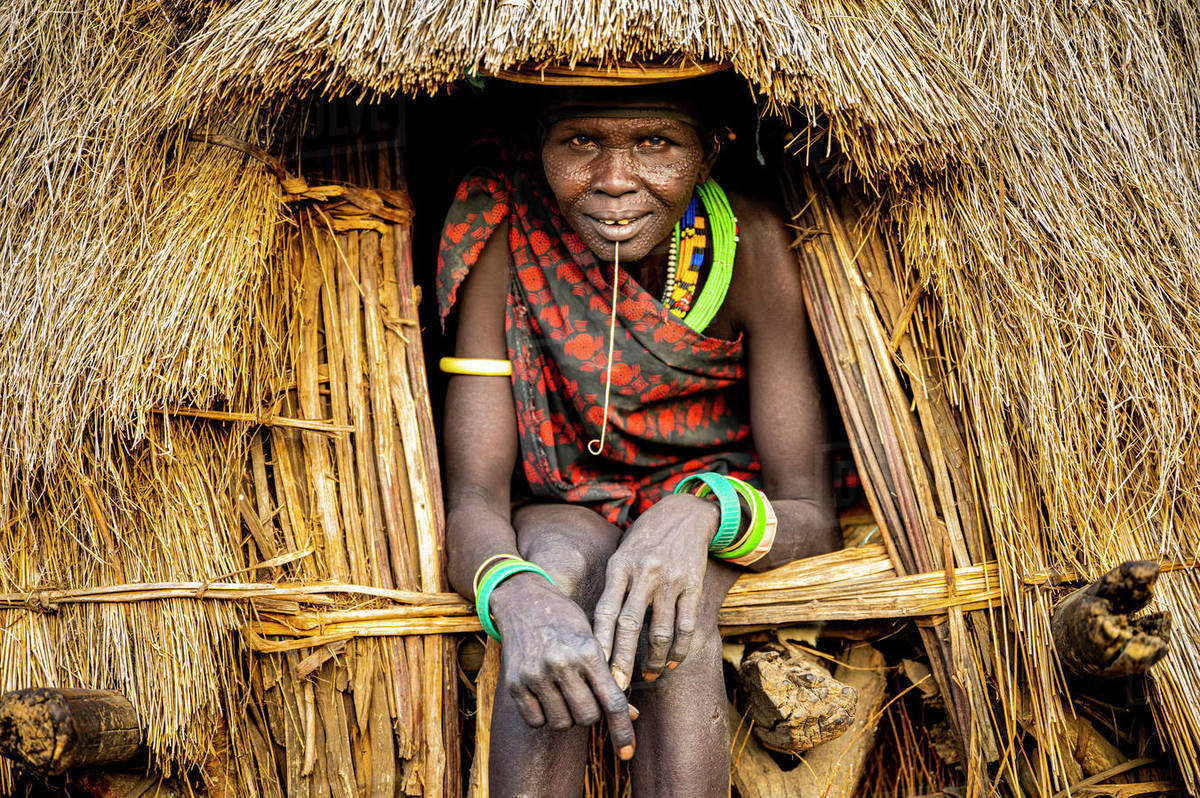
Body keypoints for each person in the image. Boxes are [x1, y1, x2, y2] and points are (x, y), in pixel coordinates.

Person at [437, 82, 838, 798]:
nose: (616, 180)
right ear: (539, 145)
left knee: (669, 606)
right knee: (557, 567)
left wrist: (701, 514)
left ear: (709, 152)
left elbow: (810, 512)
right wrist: (517, 597)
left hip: (718, 499)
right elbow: (474, 499)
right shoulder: (507, 232)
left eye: (655, 143)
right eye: (581, 142)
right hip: (564, 502)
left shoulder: (750, 245)